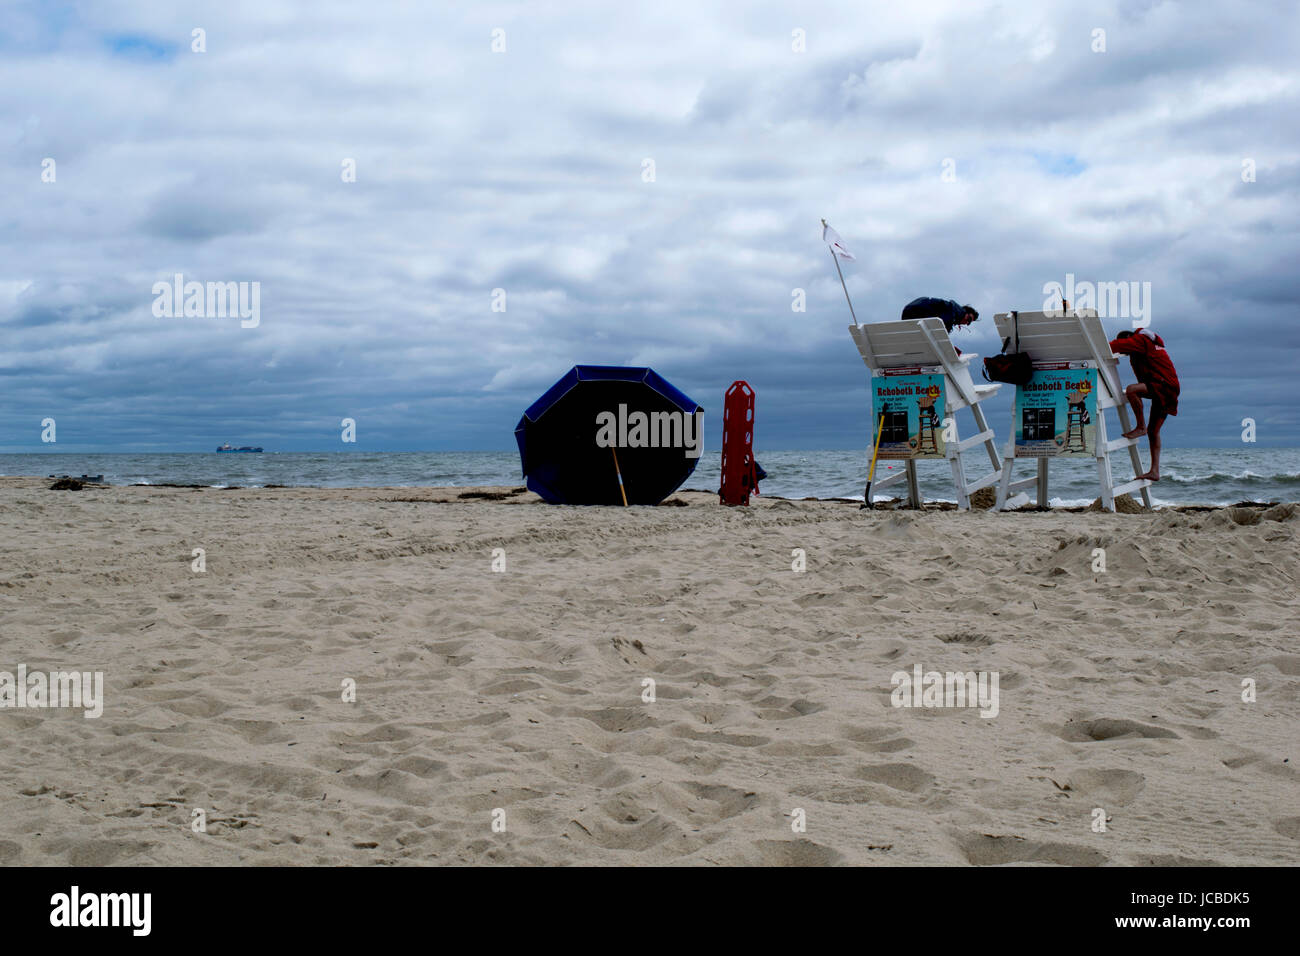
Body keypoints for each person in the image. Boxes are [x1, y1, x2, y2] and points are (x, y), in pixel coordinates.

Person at [1109, 327, 1180, 482]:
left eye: (1127, 349)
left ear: (1129, 338)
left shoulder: (1140, 340)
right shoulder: (1150, 345)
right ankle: (1154, 471)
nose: (1127, 353)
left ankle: (1140, 426)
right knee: (1153, 431)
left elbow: (1114, 346)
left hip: (1163, 386)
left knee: (1132, 390)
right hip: (1168, 388)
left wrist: (1094, 348)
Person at [900, 297, 978, 333]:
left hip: (909, 313)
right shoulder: (951, 312)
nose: (967, 323)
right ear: (965, 312)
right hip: (916, 313)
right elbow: (939, 332)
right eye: (969, 319)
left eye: (969, 323)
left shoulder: (951, 310)